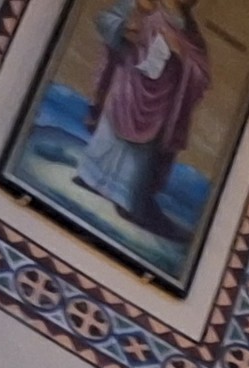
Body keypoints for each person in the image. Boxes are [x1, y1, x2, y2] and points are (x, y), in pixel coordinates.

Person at [74, 0, 212, 235]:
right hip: (129, 81)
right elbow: (105, 20)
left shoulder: (189, 31)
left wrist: (180, 52)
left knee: (142, 152)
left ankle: (127, 199)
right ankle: (91, 176)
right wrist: (127, 29)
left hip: (162, 100)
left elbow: (202, 73)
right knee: (111, 133)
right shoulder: (144, 3)